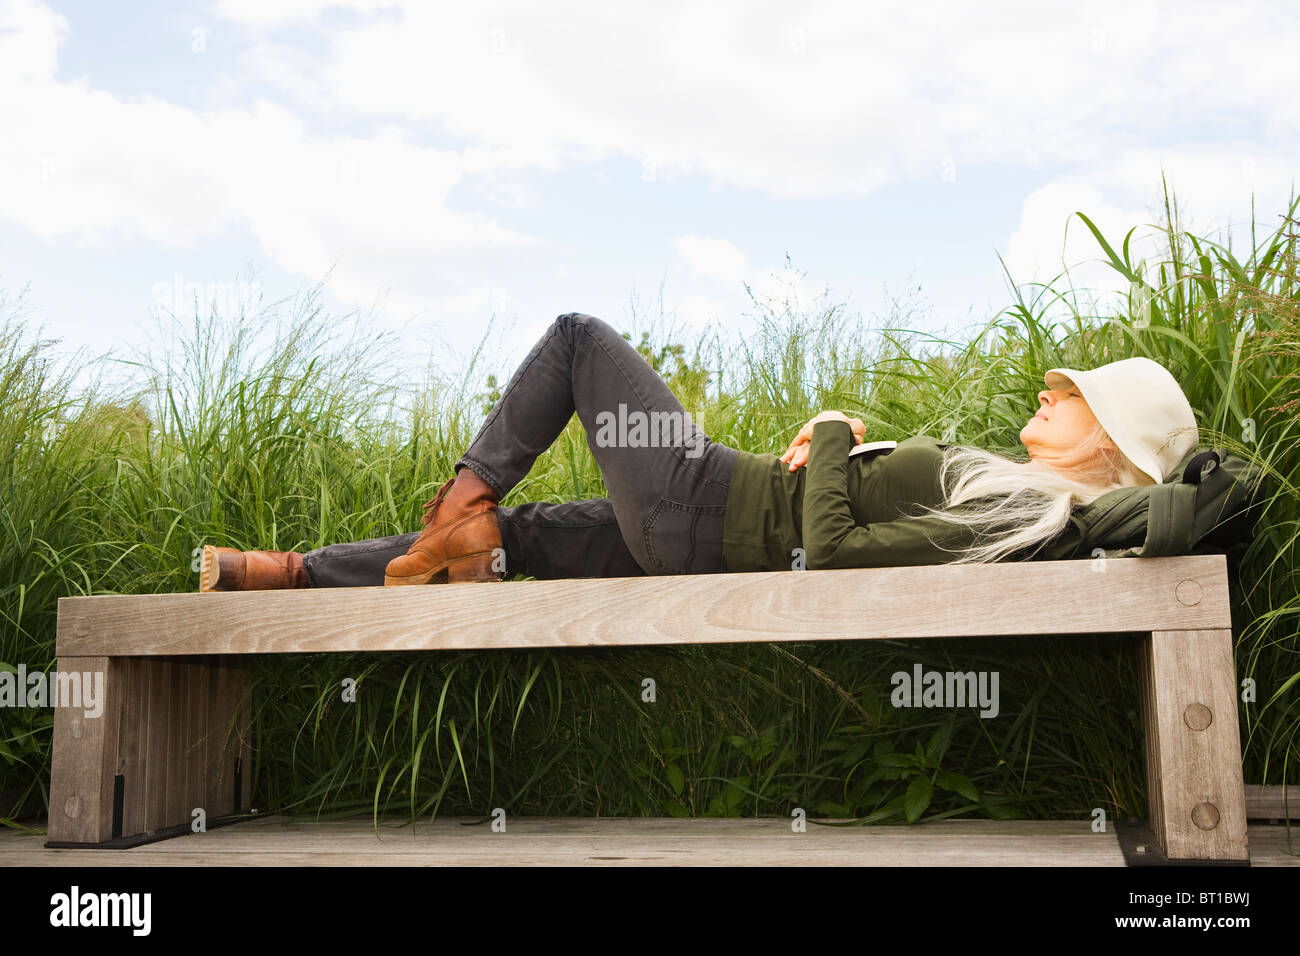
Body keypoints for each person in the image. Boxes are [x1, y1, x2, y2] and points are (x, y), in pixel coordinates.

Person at [199, 313, 1199, 591]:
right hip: (688, 528)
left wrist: (841, 430)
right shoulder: (1019, 499)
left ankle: (457, 503)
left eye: (1077, 397)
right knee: (525, 537)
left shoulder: (1025, 511)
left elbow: (837, 561)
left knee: (579, 342)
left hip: (702, 504)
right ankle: (294, 571)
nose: (1052, 390)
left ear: (1110, 443)